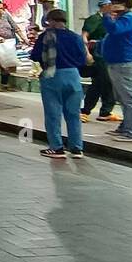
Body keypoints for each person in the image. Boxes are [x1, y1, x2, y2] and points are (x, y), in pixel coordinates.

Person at [30, 9, 89, 159]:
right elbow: (83, 59)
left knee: (53, 114)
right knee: (74, 114)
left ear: (51, 21)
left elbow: (35, 56)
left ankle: (56, 148)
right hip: (73, 76)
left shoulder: (46, 37)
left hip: (52, 76)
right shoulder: (75, 37)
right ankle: (77, 148)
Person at [101, 0, 132, 141]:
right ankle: (125, 127)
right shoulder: (122, 18)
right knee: (124, 98)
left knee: (130, 98)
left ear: (122, 4)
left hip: (124, 62)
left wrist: (106, 16)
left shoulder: (130, 18)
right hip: (117, 61)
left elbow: (114, 30)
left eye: (113, 3)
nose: (110, 6)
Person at [80, 5, 120, 124]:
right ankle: (86, 111)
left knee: (106, 83)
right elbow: (84, 36)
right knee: (100, 83)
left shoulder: (111, 20)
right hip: (98, 56)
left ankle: (105, 112)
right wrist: (87, 53)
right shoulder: (95, 19)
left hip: (108, 55)